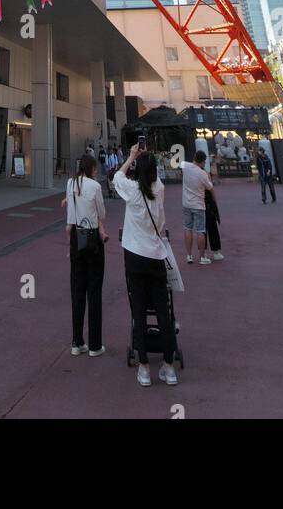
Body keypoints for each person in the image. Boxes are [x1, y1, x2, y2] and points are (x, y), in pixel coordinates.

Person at [113, 143, 178, 387]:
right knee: (164, 311)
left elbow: (118, 176)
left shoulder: (131, 190)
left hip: (133, 255)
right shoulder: (159, 189)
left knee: (138, 311)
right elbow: (152, 179)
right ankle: (169, 367)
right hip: (155, 255)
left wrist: (131, 156)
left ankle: (143, 368)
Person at [65, 152, 107, 356]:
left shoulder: (71, 183)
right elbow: (102, 213)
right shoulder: (95, 186)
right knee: (94, 289)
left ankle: (76, 341)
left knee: (77, 288)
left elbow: (71, 216)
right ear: (91, 168)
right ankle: (95, 345)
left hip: (76, 237)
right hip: (92, 237)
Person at [181, 150, 214, 264]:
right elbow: (210, 187)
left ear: (194, 158)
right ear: (203, 161)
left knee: (187, 228)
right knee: (200, 231)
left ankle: (189, 255)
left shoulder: (185, 166)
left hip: (186, 203)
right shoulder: (202, 173)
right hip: (199, 205)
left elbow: (174, 160)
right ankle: (202, 257)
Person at [202, 153, 223, 260]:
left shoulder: (191, 174)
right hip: (208, 203)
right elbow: (211, 189)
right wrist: (214, 201)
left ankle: (203, 253)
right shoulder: (205, 174)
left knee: (202, 229)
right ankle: (215, 251)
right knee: (212, 227)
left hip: (199, 203)